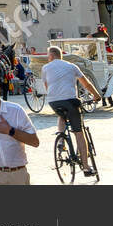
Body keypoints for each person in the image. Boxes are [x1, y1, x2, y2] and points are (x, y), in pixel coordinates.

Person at [41, 45, 101, 175]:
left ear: (51, 56)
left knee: (62, 116)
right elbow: (87, 84)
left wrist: (55, 96)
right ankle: (86, 167)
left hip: (53, 101)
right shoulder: (71, 66)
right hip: (70, 101)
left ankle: (61, 140)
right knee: (79, 133)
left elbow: (47, 86)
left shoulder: (45, 68)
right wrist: (96, 95)